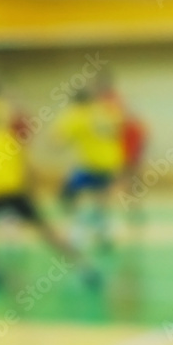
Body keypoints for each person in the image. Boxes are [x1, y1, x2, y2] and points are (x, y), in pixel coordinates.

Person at [0, 111, 99, 289]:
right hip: (15, 193)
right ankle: (84, 266)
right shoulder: (5, 137)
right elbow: (27, 168)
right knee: (48, 232)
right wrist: (31, 193)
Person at [54, 87, 125, 252]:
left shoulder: (76, 115)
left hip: (90, 165)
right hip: (110, 163)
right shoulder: (103, 111)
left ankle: (78, 232)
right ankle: (104, 234)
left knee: (66, 194)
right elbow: (117, 129)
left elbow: (59, 141)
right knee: (101, 199)